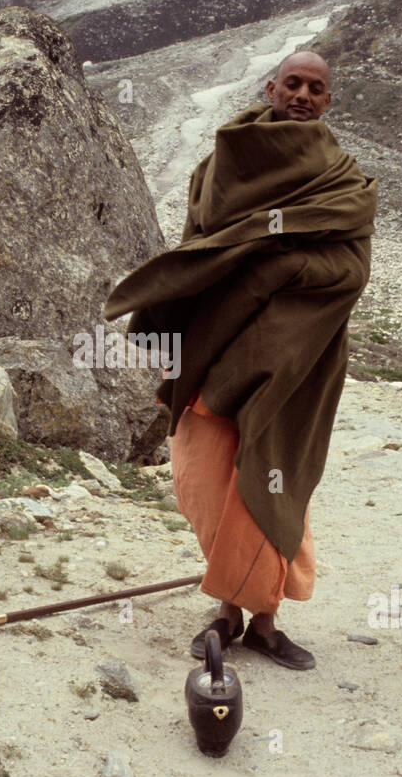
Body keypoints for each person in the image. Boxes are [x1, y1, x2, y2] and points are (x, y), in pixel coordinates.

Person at [104, 50, 377, 670]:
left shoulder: (341, 179)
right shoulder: (223, 161)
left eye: (317, 87)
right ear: (271, 87)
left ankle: (265, 621)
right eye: (294, 83)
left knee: (269, 471)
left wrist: (271, 267)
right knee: (206, 475)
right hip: (215, 343)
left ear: (328, 100)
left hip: (293, 356)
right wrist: (229, 273)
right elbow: (202, 246)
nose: (304, 93)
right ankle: (228, 610)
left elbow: (351, 270)